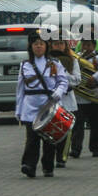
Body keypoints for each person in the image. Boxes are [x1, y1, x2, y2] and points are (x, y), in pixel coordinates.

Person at [14, 30, 70, 178]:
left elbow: (63, 81)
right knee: (31, 138)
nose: (38, 47)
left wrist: (59, 92)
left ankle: (48, 166)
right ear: (30, 47)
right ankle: (29, 165)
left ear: (46, 46)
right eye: (35, 44)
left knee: (48, 138)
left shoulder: (55, 63)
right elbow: (20, 89)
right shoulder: (24, 65)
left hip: (48, 104)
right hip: (30, 105)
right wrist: (18, 109)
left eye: (41, 44)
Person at [72, 36, 98, 158]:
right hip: (80, 97)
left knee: (96, 124)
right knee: (77, 125)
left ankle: (95, 148)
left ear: (94, 46)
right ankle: (76, 149)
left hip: (94, 95)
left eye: (89, 45)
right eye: (84, 45)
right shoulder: (76, 57)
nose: (86, 48)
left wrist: (95, 78)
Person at [48, 37, 80, 165]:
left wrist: (61, 75)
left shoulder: (72, 60)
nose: (59, 46)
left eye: (61, 43)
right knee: (51, 129)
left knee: (66, 131)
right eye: (56, 44)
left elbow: (77, 79)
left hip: (67, 98)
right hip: (52, 99)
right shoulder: (47, 60)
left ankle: (61, 157)